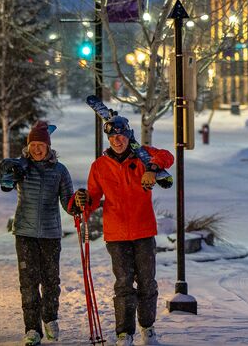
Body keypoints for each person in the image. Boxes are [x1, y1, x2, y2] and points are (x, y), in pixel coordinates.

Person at [74, 116, 173, 346]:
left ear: (128, 136)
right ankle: (124, 333)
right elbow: (93, 197)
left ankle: (147, 328)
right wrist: (82, 201)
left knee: (147, 282)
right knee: (123, 283)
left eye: (120, 136)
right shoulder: (99, 165)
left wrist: (152, 168)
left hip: (143, 230)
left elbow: (167, 156)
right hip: (116, 233)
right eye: (112, 137)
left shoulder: (142, 156)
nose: (117, 140)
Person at [0, 121, 75, 346]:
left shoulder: (60, 170)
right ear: (28, 146)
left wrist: (78, 204)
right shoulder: (22, 167)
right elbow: (6, 182)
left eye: (41, 145)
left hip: (50, 233)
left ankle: (50, 318)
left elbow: (68, 202)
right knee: (28, 282)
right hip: (25, 232)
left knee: (51, 281)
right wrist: (8, 170)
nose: (37, 149)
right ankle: (32, 329)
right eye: (33, 145)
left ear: (49, 147)